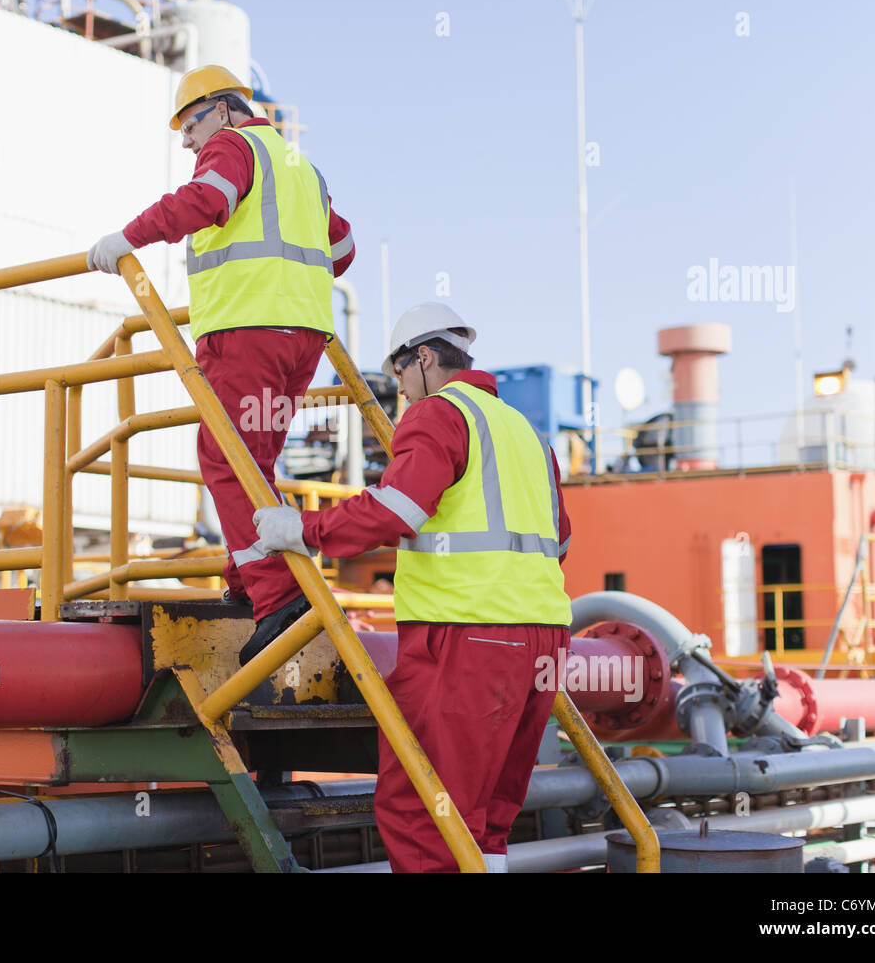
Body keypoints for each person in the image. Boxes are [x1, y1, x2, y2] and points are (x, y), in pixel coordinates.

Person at [251, 302, 573, 873]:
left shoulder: (438, 415)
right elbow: (560, 542)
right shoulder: (527, 433)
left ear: (423, 357)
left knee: (422, 810)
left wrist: (300, 528)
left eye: (399, 376)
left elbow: (395, 509)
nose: (399, 392)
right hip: (544, 643)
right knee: (487, 816)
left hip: (465, 641)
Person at [87, 65, 354, 662]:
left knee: (224, 457)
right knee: (251, 459)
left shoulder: (232, 145)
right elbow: (343, 250)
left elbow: (206, 200)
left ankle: (276, 594)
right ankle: (249, 579)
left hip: (248, 331)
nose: (185, 140)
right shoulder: (301, 168)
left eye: (190, 123)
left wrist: (127, 238)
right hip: (303, 336)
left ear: (227, 110)